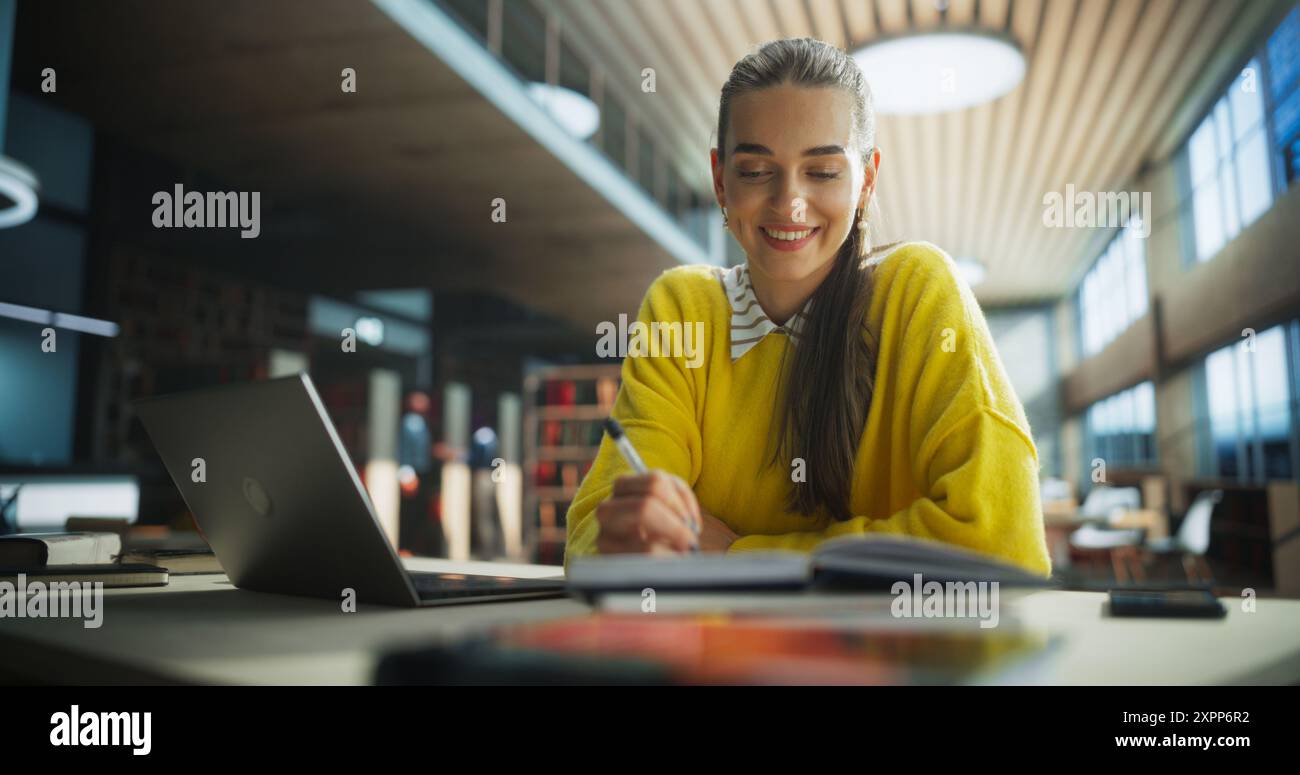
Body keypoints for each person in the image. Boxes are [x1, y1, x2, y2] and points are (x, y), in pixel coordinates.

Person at [564, 38, 1051, 576]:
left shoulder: (918, 290)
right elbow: (592, 537)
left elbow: (1005, 539)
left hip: (898, 656)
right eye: (754, 170)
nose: (789, 203)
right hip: (713, 659)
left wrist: (734, 556)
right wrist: (626, 535)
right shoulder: (682, 309)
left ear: (866, 181)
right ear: (720, 180)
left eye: (822, 172)